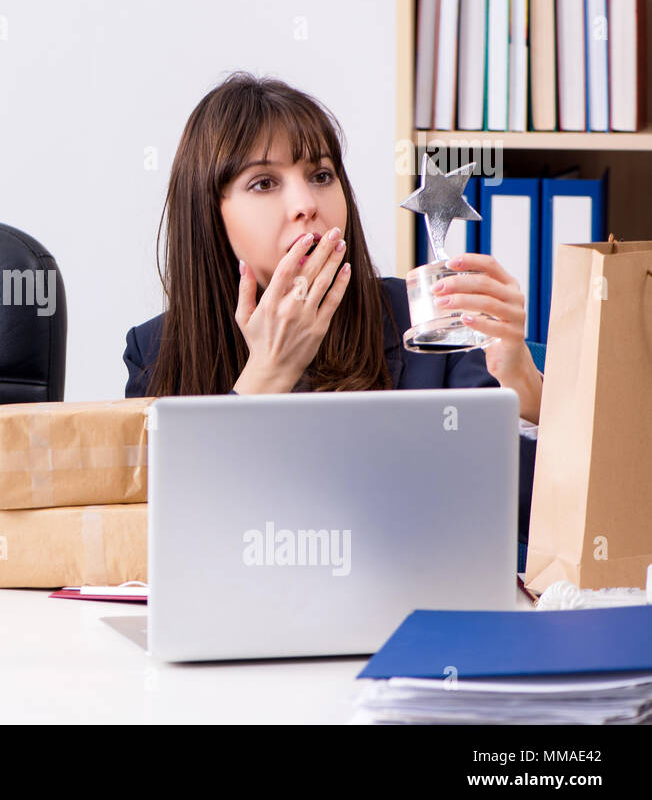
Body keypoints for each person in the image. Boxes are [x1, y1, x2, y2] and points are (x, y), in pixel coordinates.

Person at [123, 72, 542, 551]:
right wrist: (265, 377)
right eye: (263, 183)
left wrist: (524, 386)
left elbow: (528, 524)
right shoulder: (154, 352)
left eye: (321, 176)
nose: (306, 204)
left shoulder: (424, 320)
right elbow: (166, 544)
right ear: (209, 214)